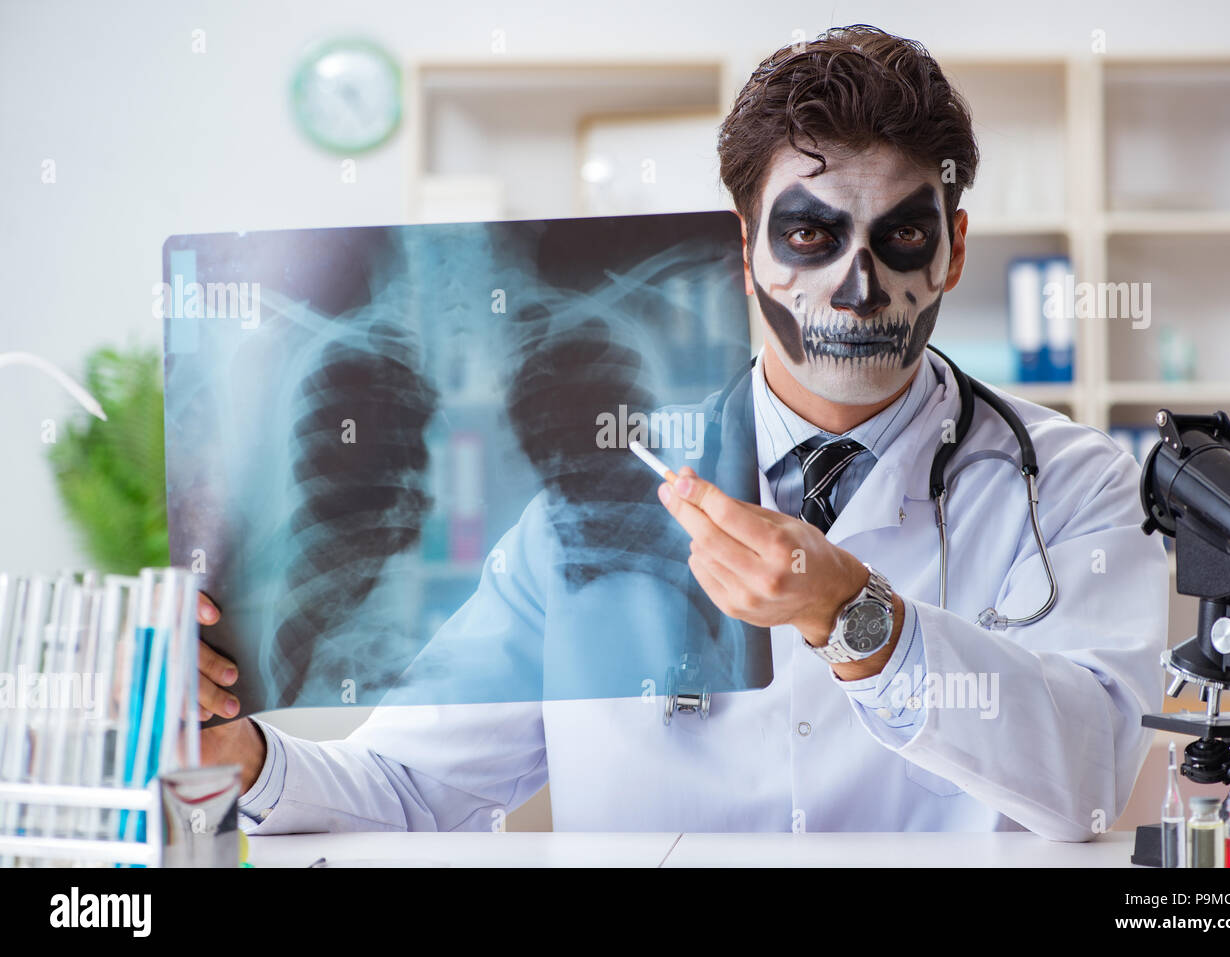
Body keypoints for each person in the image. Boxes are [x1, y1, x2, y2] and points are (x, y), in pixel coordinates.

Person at [198, 24, 1168, 838]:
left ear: (953, 252)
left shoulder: (1068, 481)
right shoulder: (589, 497)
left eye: (901, 236)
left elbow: (1084, 783)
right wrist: (244, 761)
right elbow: (411, 787)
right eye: (809, 236)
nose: (858, 286)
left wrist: (862, 620)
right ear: (741, 255)